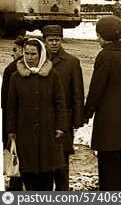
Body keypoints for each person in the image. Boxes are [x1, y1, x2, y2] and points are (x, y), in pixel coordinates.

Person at [83, 16, 121, 190]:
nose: (97, 39)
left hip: (108, 120)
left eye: (99, 35)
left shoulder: (105, 56)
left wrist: (87, 112)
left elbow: (97, 88)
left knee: (108, 164)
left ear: (104, 35)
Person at [3, 38, 67, 190]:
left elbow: (60, 103)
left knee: (46, 175)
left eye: (34, 54)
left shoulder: (53, 76)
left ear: (41, 54)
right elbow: (11, 106)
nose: (30, 57)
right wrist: (11, 130)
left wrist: (60, 126)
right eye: (27, 53)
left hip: (47, 132)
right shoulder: (16, 77)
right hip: (25, 133)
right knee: (27, 172)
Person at [42, 26, 83, 190]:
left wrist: (77, 119)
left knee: (62, 162)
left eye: (57, 40)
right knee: (44, 161)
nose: (54, 43)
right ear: (44, 41)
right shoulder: (39, 60)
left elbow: (77, 93)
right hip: (43, 119)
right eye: (50, 40)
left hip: (64, 119)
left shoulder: (72, 62)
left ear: (61, 40)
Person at [2, 38, 24, 190]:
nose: (12, 54)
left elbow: (5, 102)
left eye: (15, 50)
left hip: (15, 123)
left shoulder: (11, 69)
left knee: (15, 157)